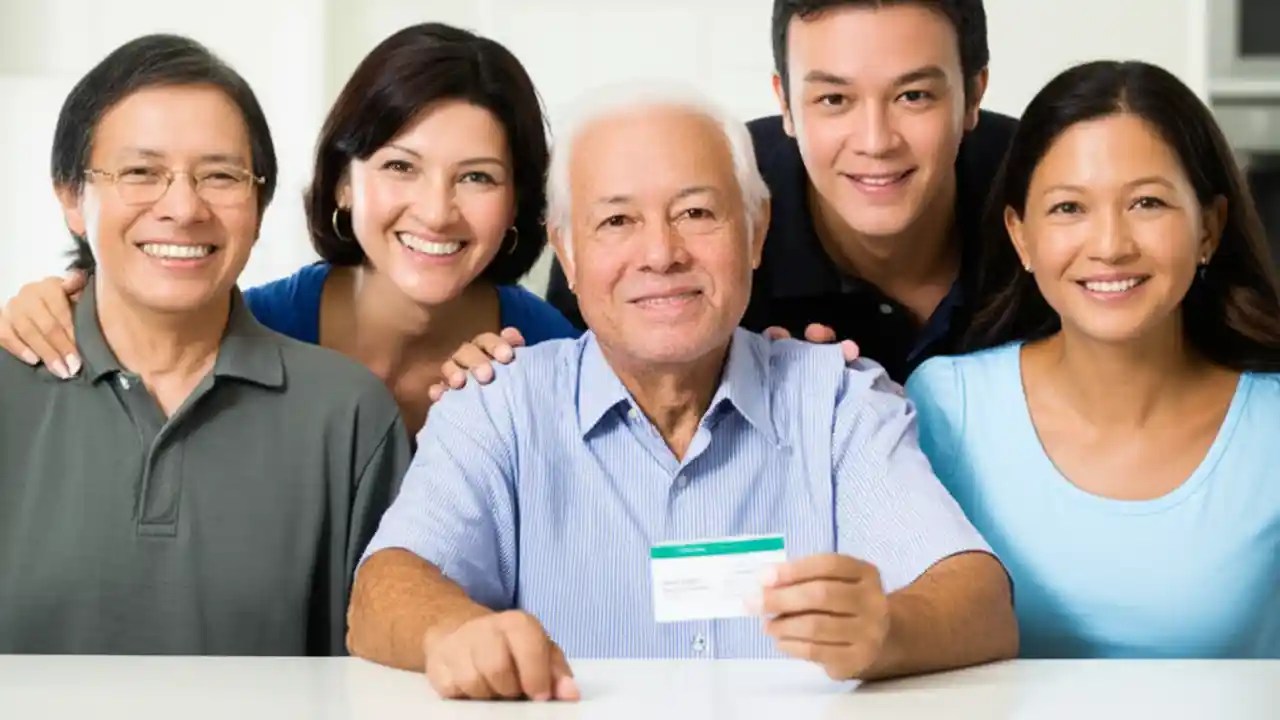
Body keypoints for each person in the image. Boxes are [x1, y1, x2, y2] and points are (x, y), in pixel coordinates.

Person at [345, 86, 1018, 701]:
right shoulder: (497, 405)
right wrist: (455, 632)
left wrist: (889, 631)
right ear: (568, 254)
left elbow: (981, 602)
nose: (661, 254)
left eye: (696, 212)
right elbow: (381, 592)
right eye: (616, 222)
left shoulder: (838, 399)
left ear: (755, 232)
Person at [0, 35, 411, 655]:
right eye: (141, 172)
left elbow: (376, 673)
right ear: (70, 197)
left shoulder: (347, 415)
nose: (184, 207)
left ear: (261, 203)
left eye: (221, 175)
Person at [0, 23, 576, 435]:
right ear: (342, 183)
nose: (436, 211)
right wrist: (56, 307)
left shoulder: (548, 354)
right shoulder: (253, 332)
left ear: (517, 202)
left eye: (477, 177)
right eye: (400, 166)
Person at [905, 60, 1280, 658]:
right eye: (1068, 209)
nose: (1110, 246)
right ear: (1021, 236)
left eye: (1148, 203)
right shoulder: (948, 408)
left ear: (1209, 228)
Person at [524, 0, 1016, 385]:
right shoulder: (708, 196)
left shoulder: (1053, 191)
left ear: (974, 93)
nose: (875, 141)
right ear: (784, 102)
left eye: (914, 96)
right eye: (833, 99)